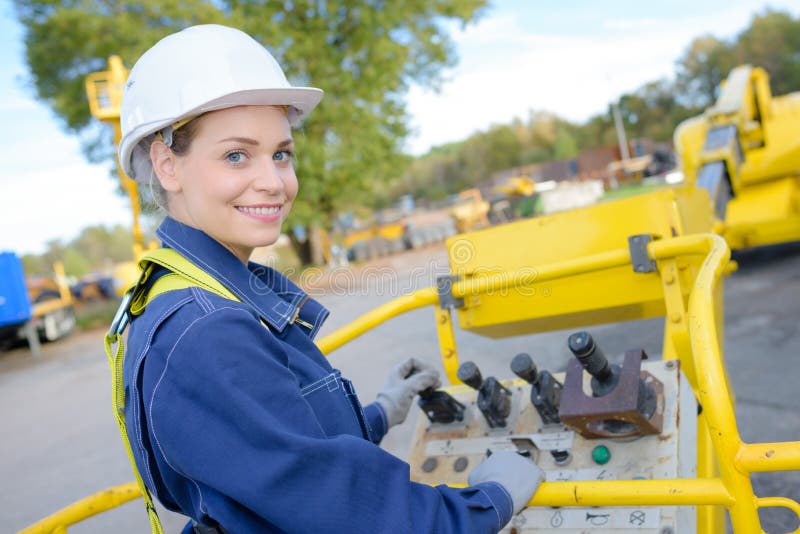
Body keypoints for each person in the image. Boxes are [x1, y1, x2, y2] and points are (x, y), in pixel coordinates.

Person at [117, 24, 544, 533]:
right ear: (167, 164)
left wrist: (382, 412)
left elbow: (275, 459)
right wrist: (490, 500)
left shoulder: (188, 295)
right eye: (236, 155)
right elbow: (349, 516)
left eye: (281, 153)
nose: (274, 181)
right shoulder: (207, 330)